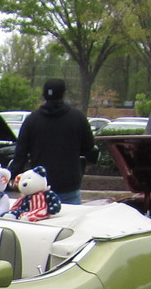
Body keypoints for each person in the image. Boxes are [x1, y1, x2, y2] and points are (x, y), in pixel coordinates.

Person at [9, 78, 96, 206]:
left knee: (39, 215)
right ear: (63, 94)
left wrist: (13, 175)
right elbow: (88, 147)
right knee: (72, 216)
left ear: (44, 94)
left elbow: (20, 153)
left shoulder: (32, 120)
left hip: (38, 184)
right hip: (69, 183)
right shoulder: (77, 118)